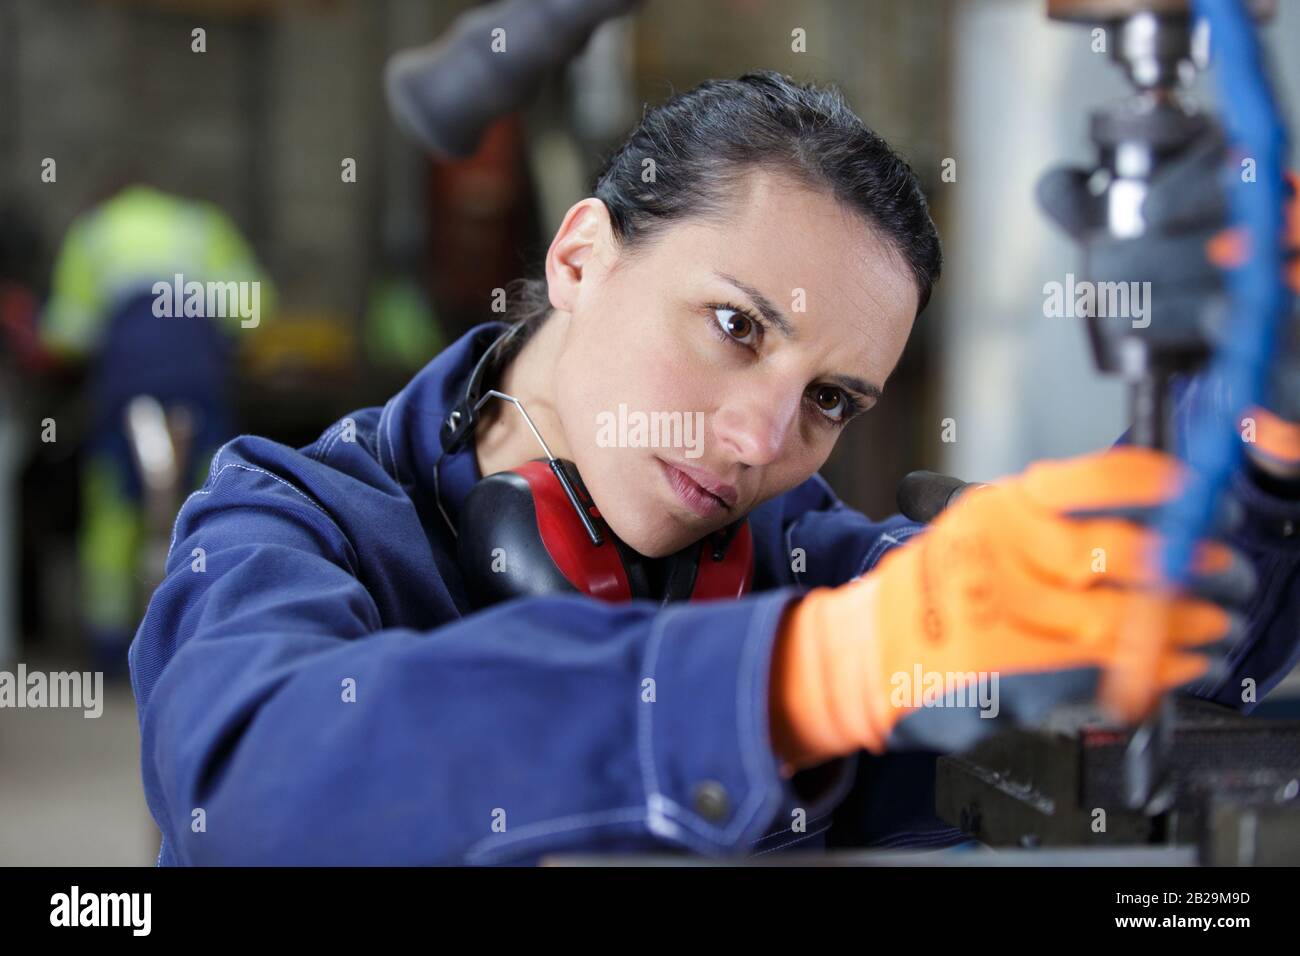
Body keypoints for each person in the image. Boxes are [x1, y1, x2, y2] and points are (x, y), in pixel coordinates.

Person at [130, 72, 1300, 864]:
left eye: (829, 400)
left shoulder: (800, 557)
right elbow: (249, 785)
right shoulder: (288, 521)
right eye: (737, 327)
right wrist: (802, 677)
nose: (758, 443)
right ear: (582, 257)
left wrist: (1263, 425)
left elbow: (1166, 631)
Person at [41, 183, 272, 673]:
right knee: (211, 500)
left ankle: (111, 646)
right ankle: (208, 631)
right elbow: (255, 311)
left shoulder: (94, 233)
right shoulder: (200, 225)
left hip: (126, 383)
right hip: (197, 379)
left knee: (116, 508)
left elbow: (67, 335)